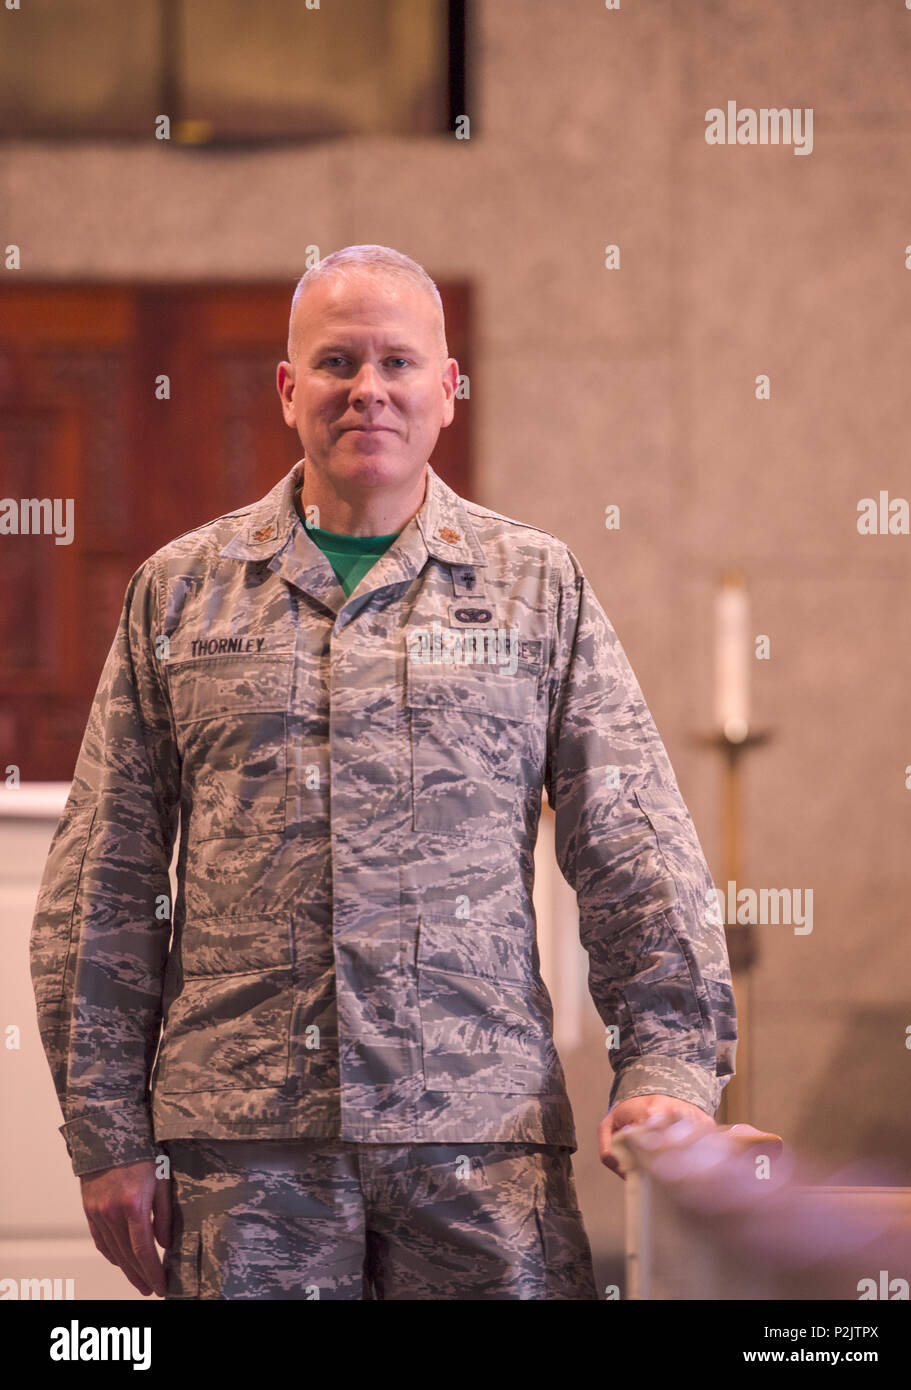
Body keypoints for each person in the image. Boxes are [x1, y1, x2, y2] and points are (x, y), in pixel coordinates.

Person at [29, 244, 736, 1300]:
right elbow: (105, 883)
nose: (369, 389)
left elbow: (634, 846)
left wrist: (671, 1069)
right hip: (245, 1161)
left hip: (478, 1146)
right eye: (336, 362)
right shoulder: (180, 595)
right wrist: (106, 1131)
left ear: (448, 391)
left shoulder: (533, 589)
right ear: (286, 389)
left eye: (398, 362)